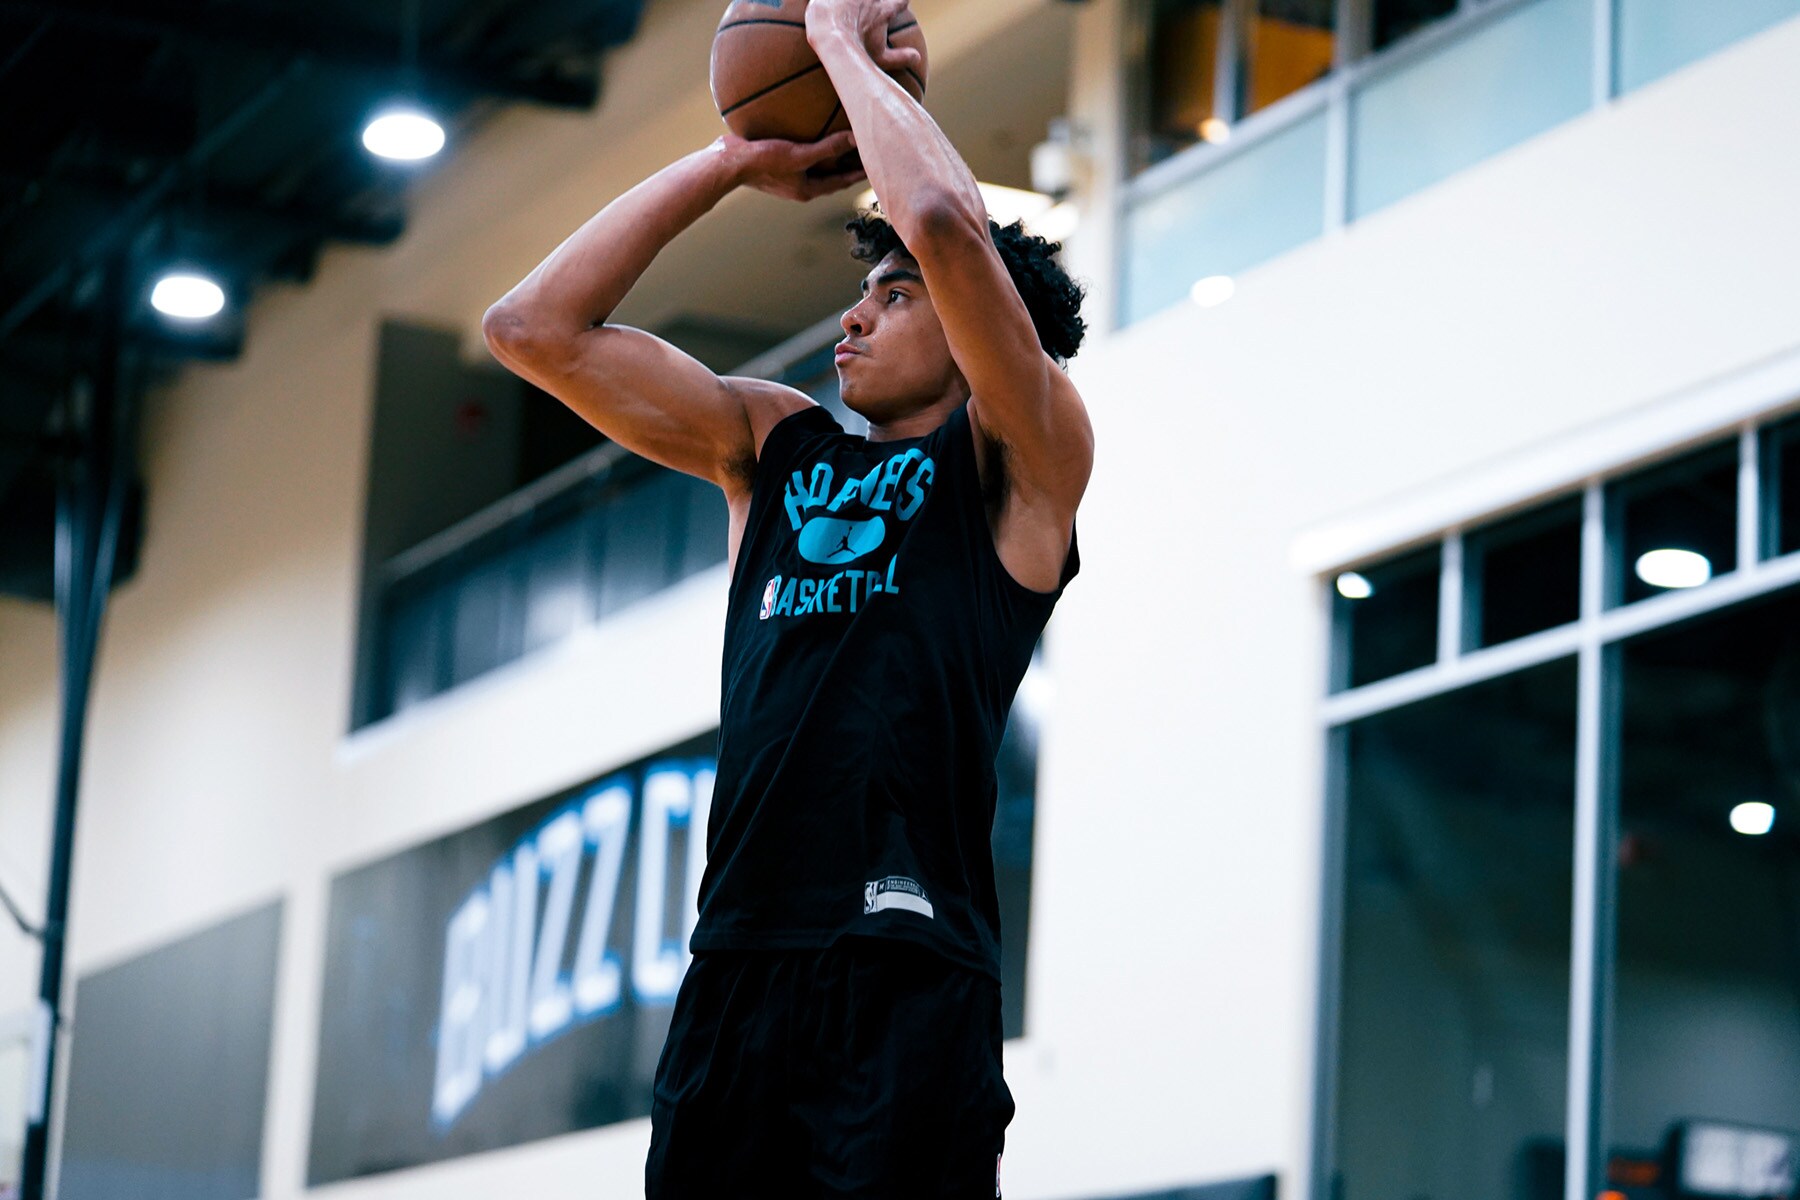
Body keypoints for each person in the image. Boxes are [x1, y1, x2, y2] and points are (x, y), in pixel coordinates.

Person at [482, 0, 1093, 1192]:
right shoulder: (776, 445)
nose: (857, 313)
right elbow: (531, 328)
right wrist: (730, 158)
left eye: (898, 297)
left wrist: (838, 49)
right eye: (867, 290)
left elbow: (941, 222)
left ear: (976, 335)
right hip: (739, 964)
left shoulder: (1023, 456)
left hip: (909, 970)